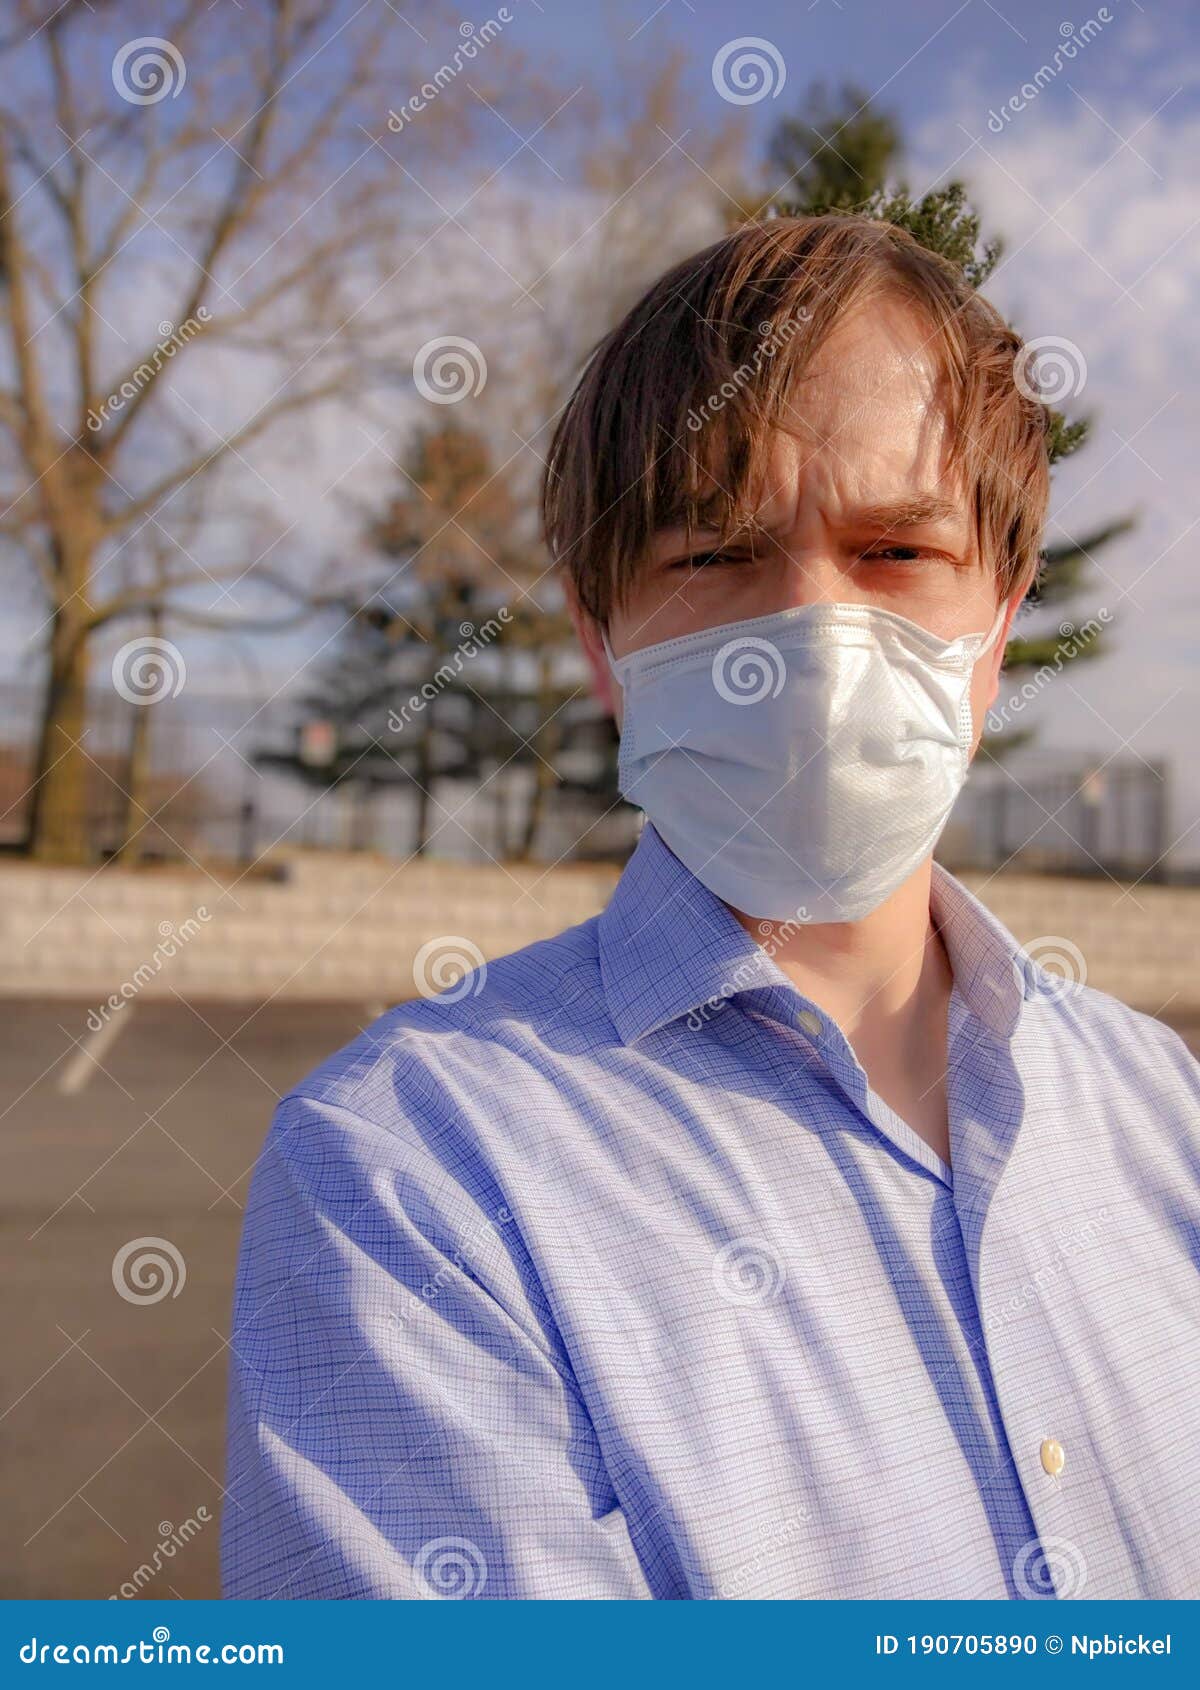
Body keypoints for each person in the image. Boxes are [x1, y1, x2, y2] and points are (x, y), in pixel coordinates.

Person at [222, 216, 1200, 1600]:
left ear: (1001, 629)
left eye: (896, 551)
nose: (808, 634)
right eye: (714, 556)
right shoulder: (410, 1180)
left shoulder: (1160, 1107)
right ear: (599, 643)